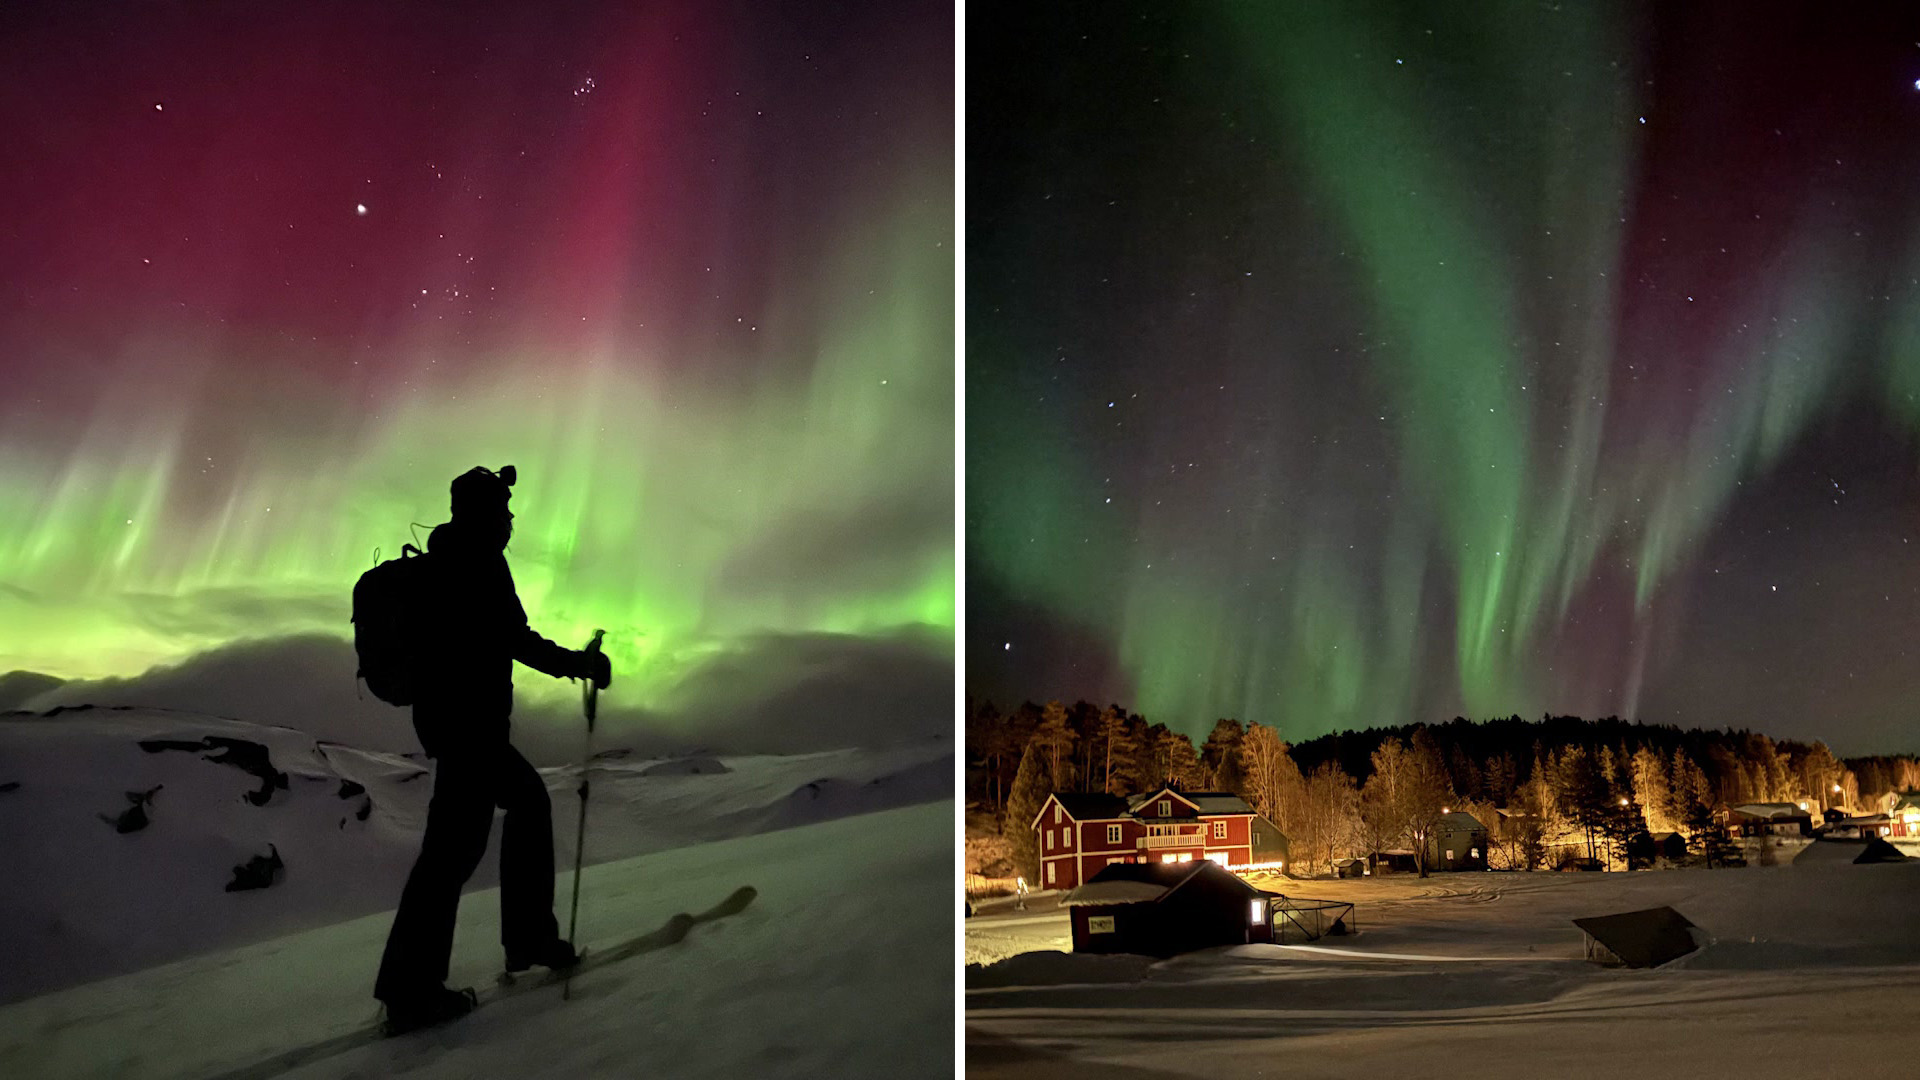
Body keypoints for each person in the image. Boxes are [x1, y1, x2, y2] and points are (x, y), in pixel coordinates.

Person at [374, 465, 613, 1034]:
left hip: (461, 726)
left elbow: (506, 641)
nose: (509, 519)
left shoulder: (458, 559)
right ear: (481, 513)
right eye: (503, 509)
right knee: (452, 853)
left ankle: (521, 944)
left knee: (510, 813)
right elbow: (516, 641)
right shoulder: (474, 564)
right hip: (468, 729)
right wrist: (578, 664)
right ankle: (413, 991)